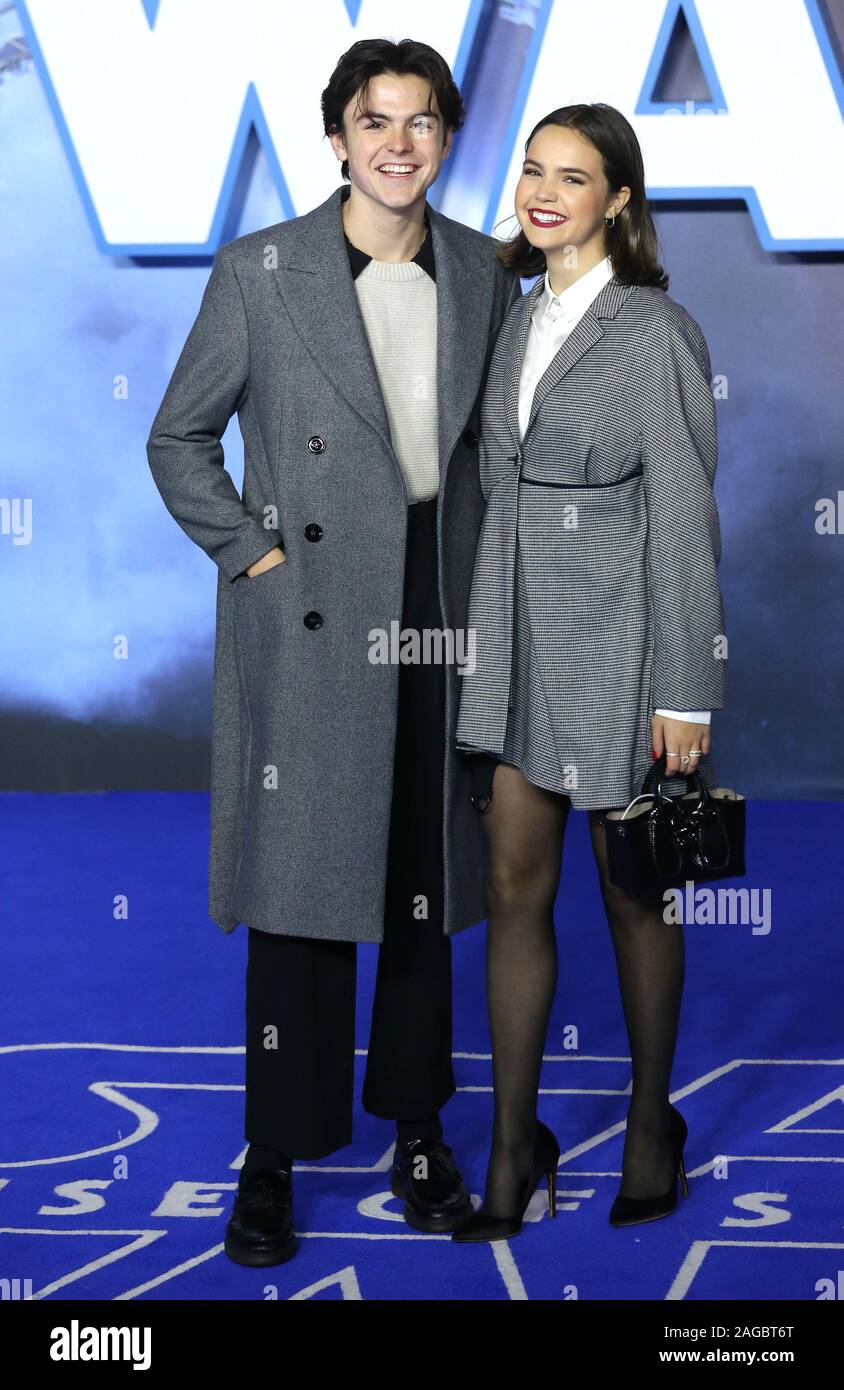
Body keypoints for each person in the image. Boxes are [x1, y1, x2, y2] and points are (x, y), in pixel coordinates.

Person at [146, 37, 521, 1266]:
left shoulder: (482, 270)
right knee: (300, 899)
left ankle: (419, 1130)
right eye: (375, 121)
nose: (397, 144)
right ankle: (272, 1153)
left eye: (420, 123)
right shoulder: (263, 269)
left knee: (424, 885)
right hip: (310, 613)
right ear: (338, 137)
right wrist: (254, 554)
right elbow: (178, 437)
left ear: (445, 139)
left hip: (436, 604)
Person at [451, 102, 726, 1242]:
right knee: (514, 889)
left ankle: (651, 1120)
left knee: (634, 890)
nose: (544, 190)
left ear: (619, 197)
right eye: (531, 169)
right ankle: (516, 1142)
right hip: (513, 646)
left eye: (574, 175)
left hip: (620, 646)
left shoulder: (655, 331)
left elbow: (684, 521)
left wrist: (685, 690)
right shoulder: (513, 319)